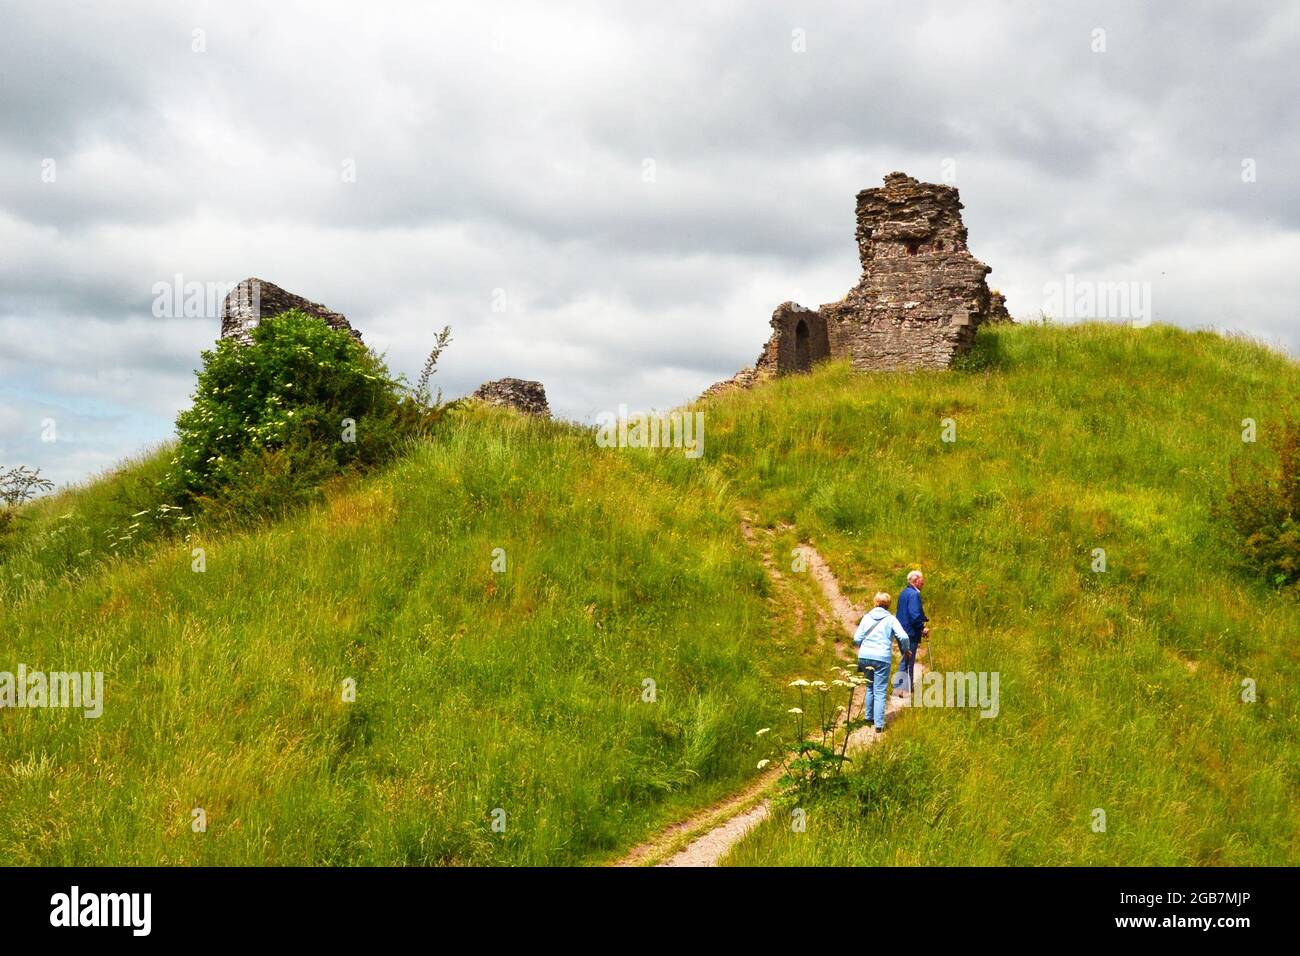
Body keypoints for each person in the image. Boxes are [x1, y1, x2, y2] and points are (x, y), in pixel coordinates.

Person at [852, 592, 911, 733]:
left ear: (875, 602)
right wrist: (906, 650)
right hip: (882, 658)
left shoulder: (866, 617)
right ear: (888, 604)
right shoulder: (891, 619)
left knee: (869, 687)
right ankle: (879, 725)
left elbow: (856, 638)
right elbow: (903, 636)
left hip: (864, 656)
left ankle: (868, 718)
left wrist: (865, 647)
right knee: (880, 690)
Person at [897, 569, 929, 690]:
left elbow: (904, 612)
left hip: (900, 631)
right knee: (907, 661)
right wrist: (922, 628)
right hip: (910, 632)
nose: (923, 583)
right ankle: (901, 688)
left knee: (906, 659)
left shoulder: (903, 593)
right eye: (922, 581)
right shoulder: (915, 594)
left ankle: (907, 688)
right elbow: (914, 615)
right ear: (915, 581)